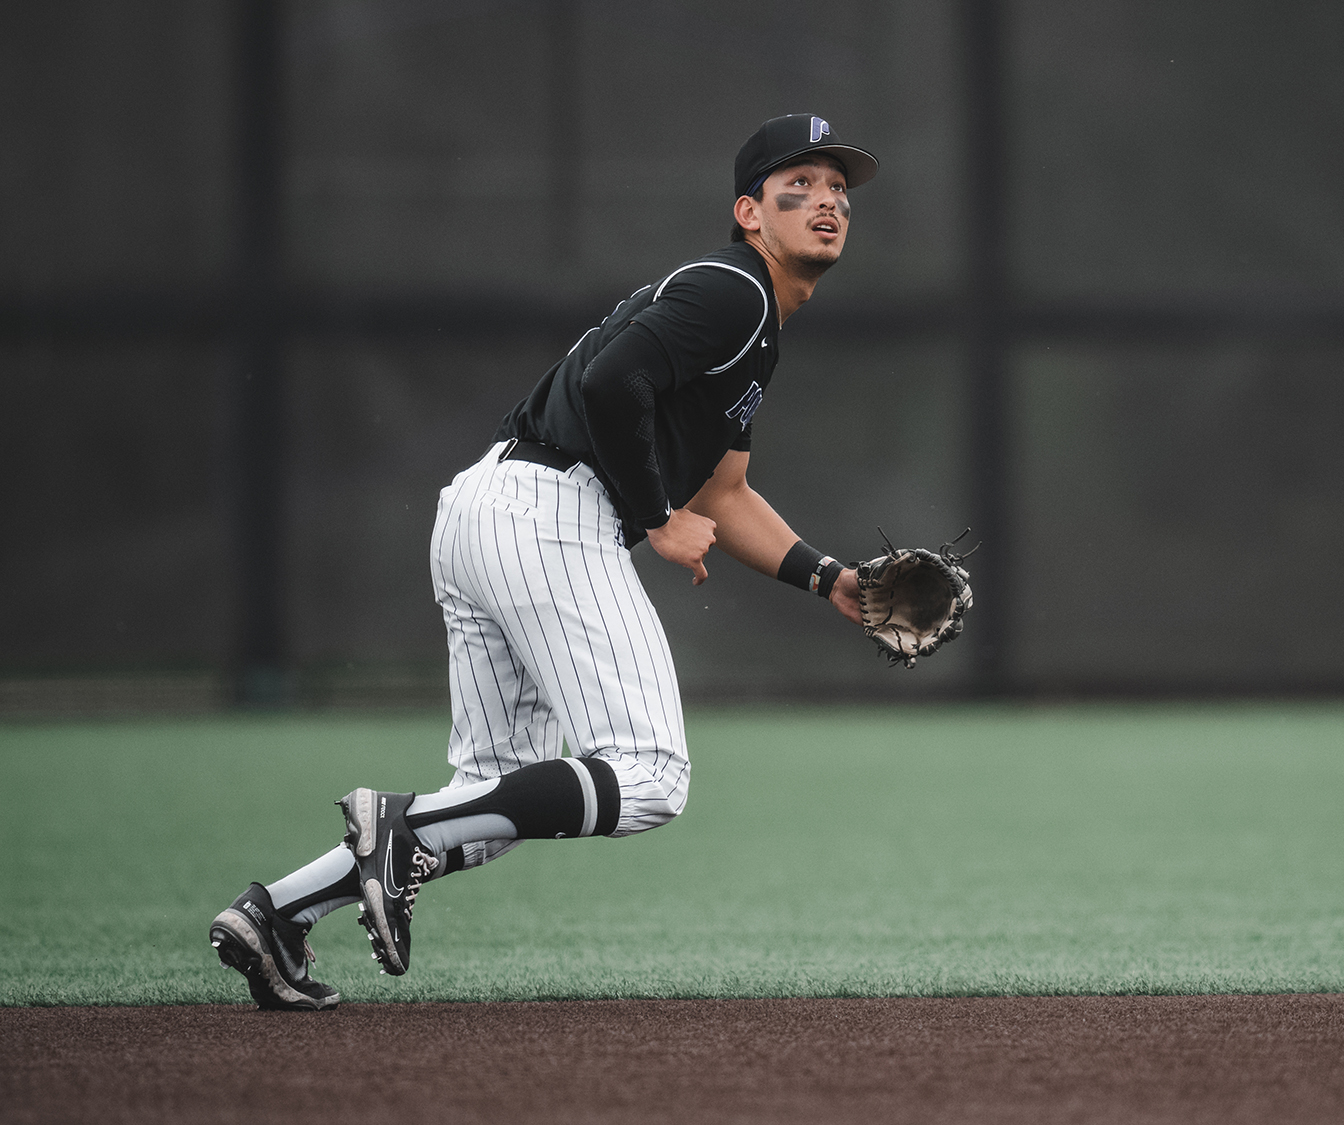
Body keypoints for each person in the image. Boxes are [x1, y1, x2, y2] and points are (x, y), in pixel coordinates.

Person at [208, 114, 878, 1011]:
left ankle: (277, 914)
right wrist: (654, 516)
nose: (828, 200)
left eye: (839, 188)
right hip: (552, 516)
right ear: (749, 212)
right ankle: (395, 827)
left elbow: (725, 493)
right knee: (647, 775)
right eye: (802, 184)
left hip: (488, 509)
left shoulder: (745, 322)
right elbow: (611, 389)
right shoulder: (736, 291)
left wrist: (827, 575)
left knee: (491, 807)